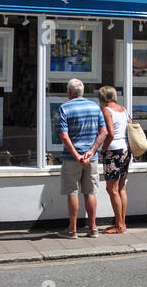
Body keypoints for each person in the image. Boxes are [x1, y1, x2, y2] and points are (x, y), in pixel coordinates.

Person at [56, 78, 107, 238]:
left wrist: (76, 155)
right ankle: (93, 229)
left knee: (72, 191)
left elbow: (63, 135)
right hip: (91, 158)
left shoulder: (64, 107)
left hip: (72, 159)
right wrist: (91, 151)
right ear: (82, 92)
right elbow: (104, 132)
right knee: (90, 192)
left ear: (69, 92)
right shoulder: (95, 107)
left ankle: (72, 230)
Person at [99, 85, 131, 234]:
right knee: (121, 187)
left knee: (111, 189)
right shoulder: (123, 109)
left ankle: (119, 225)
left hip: (113, 151)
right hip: (125, 149)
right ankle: (122, 223)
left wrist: (104, 148)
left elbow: (110, 133)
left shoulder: (107, 110)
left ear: (103, 98)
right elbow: (130, 124)